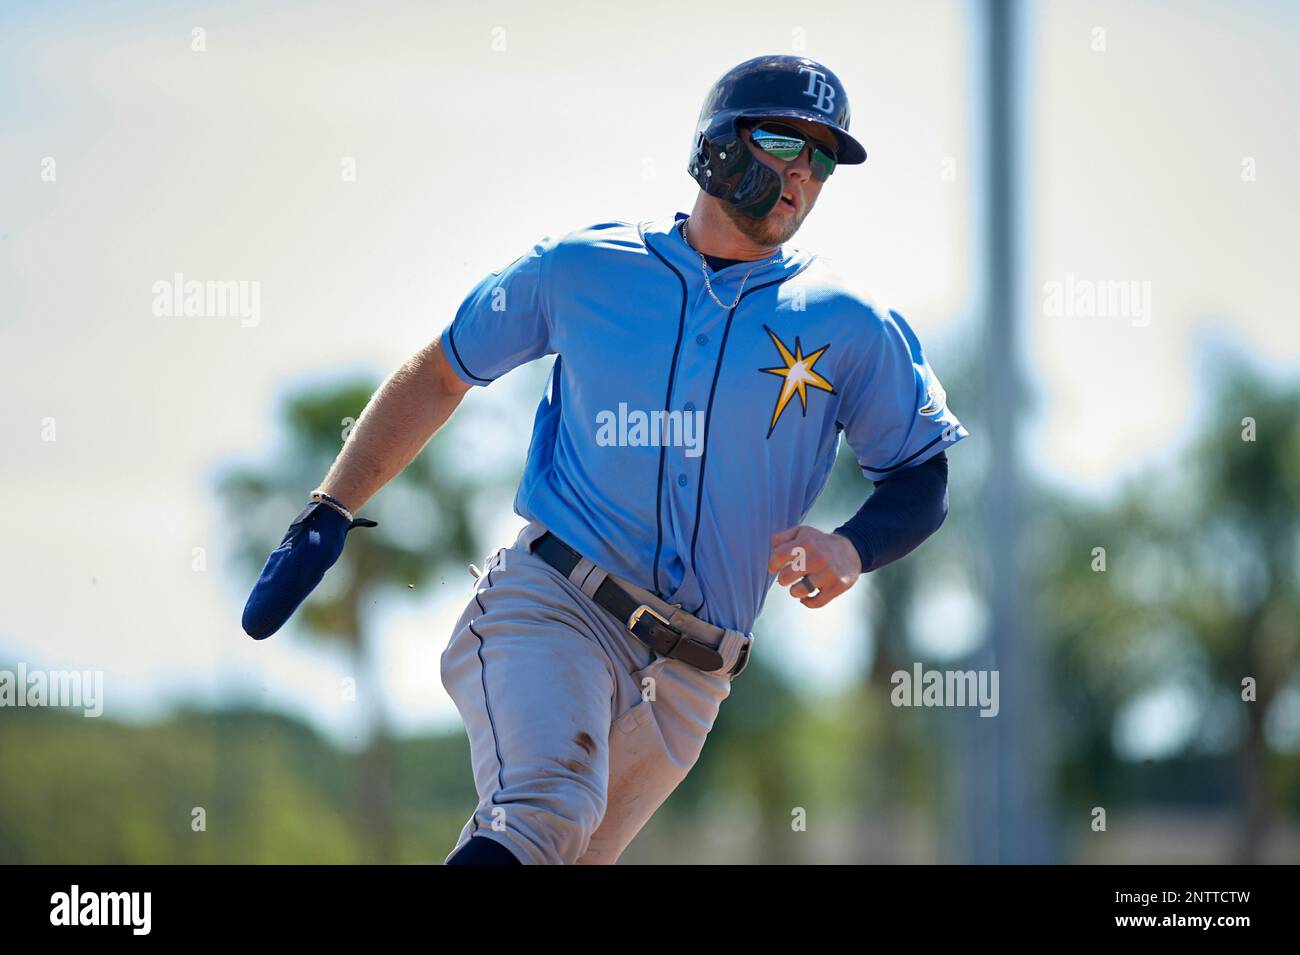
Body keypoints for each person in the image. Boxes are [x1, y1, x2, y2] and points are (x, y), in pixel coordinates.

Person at [241, 54, 969, 865]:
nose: (803, 173)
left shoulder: (852, 322)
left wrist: (852, 545)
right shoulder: (583, 266)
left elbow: (921, 475)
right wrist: (332, 506)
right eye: (781, 141)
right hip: (556, 601)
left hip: (695, 674)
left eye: (823, 158)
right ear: (718, 147)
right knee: (546, 808)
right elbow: (447, 368)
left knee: (553, 848)